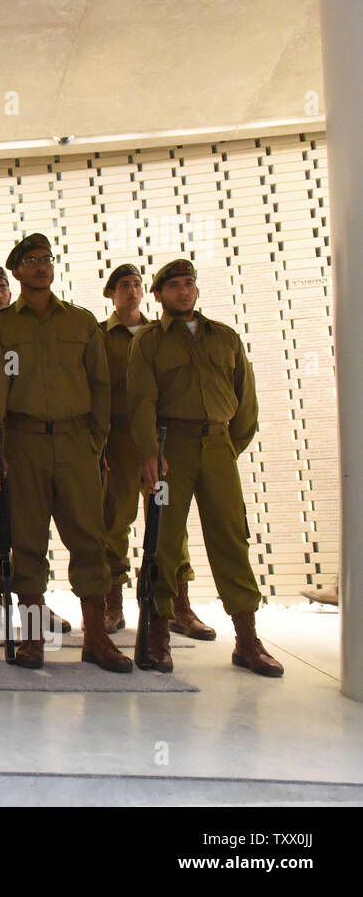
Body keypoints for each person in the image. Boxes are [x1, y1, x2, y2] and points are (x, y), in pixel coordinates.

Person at [0, 233, 131, 672]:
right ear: (17, 271)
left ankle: (96, 637)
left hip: (75, 442)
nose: (41, 266)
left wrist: (94, 440)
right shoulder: (1, 327)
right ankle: (31, 638)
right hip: (23, 444)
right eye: (31, 260)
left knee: (89, 538)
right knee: (26, 540)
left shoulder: (81, 323)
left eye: (46, 259)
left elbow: (100, 386)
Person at [127, 258, 282, 676]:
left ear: (197, 290)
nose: (183, 291)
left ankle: (247, 638)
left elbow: (244, 399)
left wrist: (229, 445)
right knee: (163, 541)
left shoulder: (225, 337)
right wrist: (148, 452)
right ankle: (159, 631)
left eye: (189, 283)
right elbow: (140, 400)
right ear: (158, 295)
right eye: (173, 285)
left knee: (231, 538)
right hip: (168, 448)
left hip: (216, 447)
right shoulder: (149, 342)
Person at [99, 263, 214, 639]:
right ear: (111, 294)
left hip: (163, 443)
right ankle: (111, 603)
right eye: (123, 285)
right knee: (114, 521)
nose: (131, 290)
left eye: (136, 284)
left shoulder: (161, 334)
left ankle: (177, 604)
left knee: (168, 525)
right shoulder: (100, 337)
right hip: (118, 441)